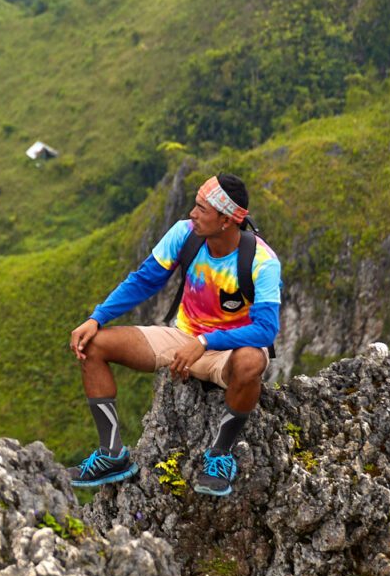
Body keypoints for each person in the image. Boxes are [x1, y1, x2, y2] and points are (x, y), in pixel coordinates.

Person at [65, 173, 280, 496]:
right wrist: (97, 318)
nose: (192, 213)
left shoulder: (262, 261)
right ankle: (112, 454)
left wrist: (206, 342)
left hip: (230, 348)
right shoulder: (185, 234)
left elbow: (265, 330)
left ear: (225, 220)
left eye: (201, 208)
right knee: (93, 346)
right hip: (183, 337)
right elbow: (144, 280)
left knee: (251, 363)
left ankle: (220, 454)